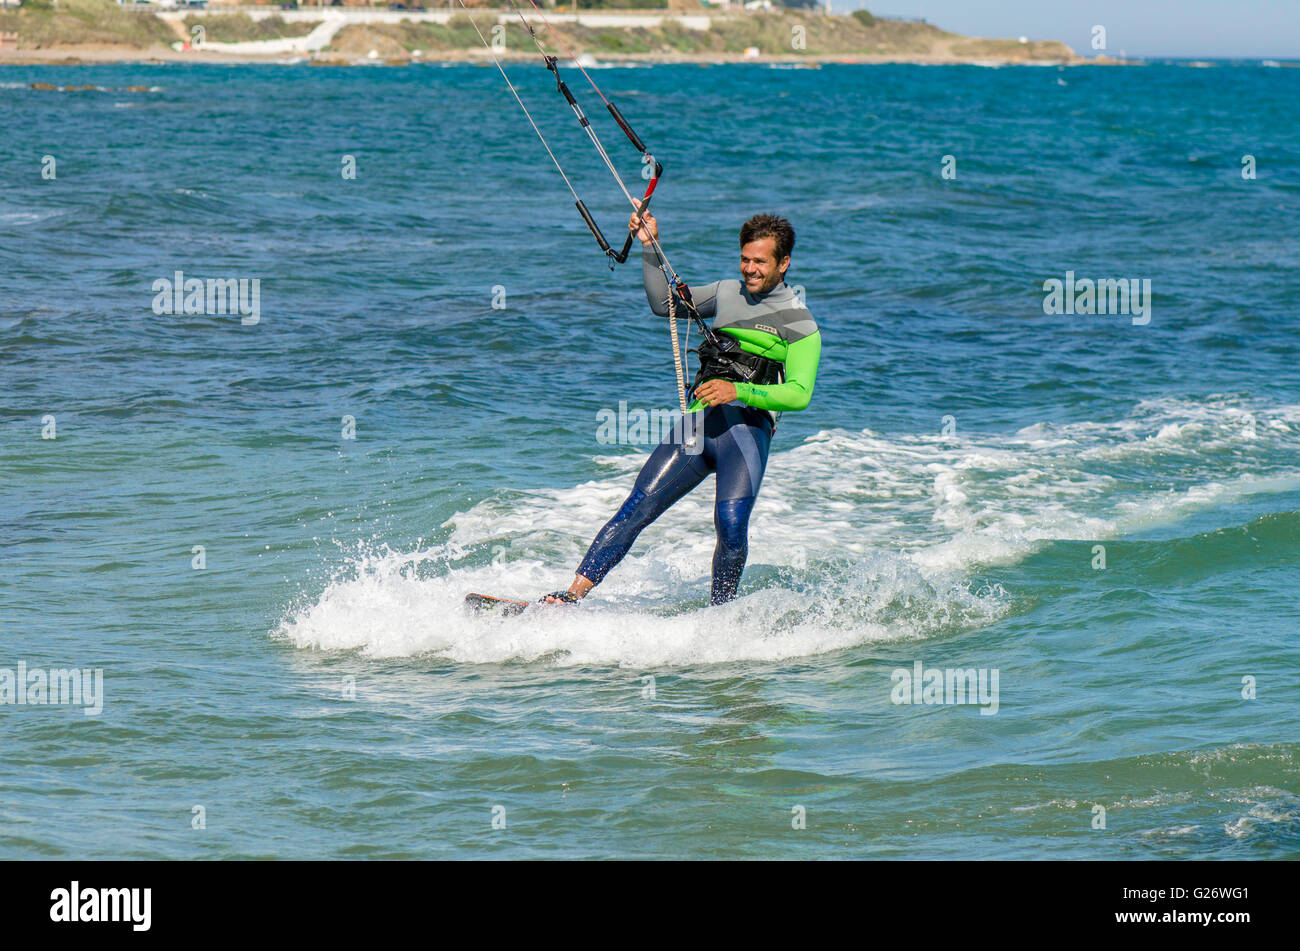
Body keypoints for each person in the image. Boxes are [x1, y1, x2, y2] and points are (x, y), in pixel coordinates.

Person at [543, 212, 821, 606]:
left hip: (745, 434)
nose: (750, 269)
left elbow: (799, 394)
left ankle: (720, 616)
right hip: (697, 429)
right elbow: (663, 304)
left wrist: (739, 391)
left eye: (760, 261)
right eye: (745, 259)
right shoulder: (727, 292)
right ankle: (568, 599)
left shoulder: (800, 323)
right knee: (637, 507)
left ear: (783, 263)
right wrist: (649, 245)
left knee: (730, 525)